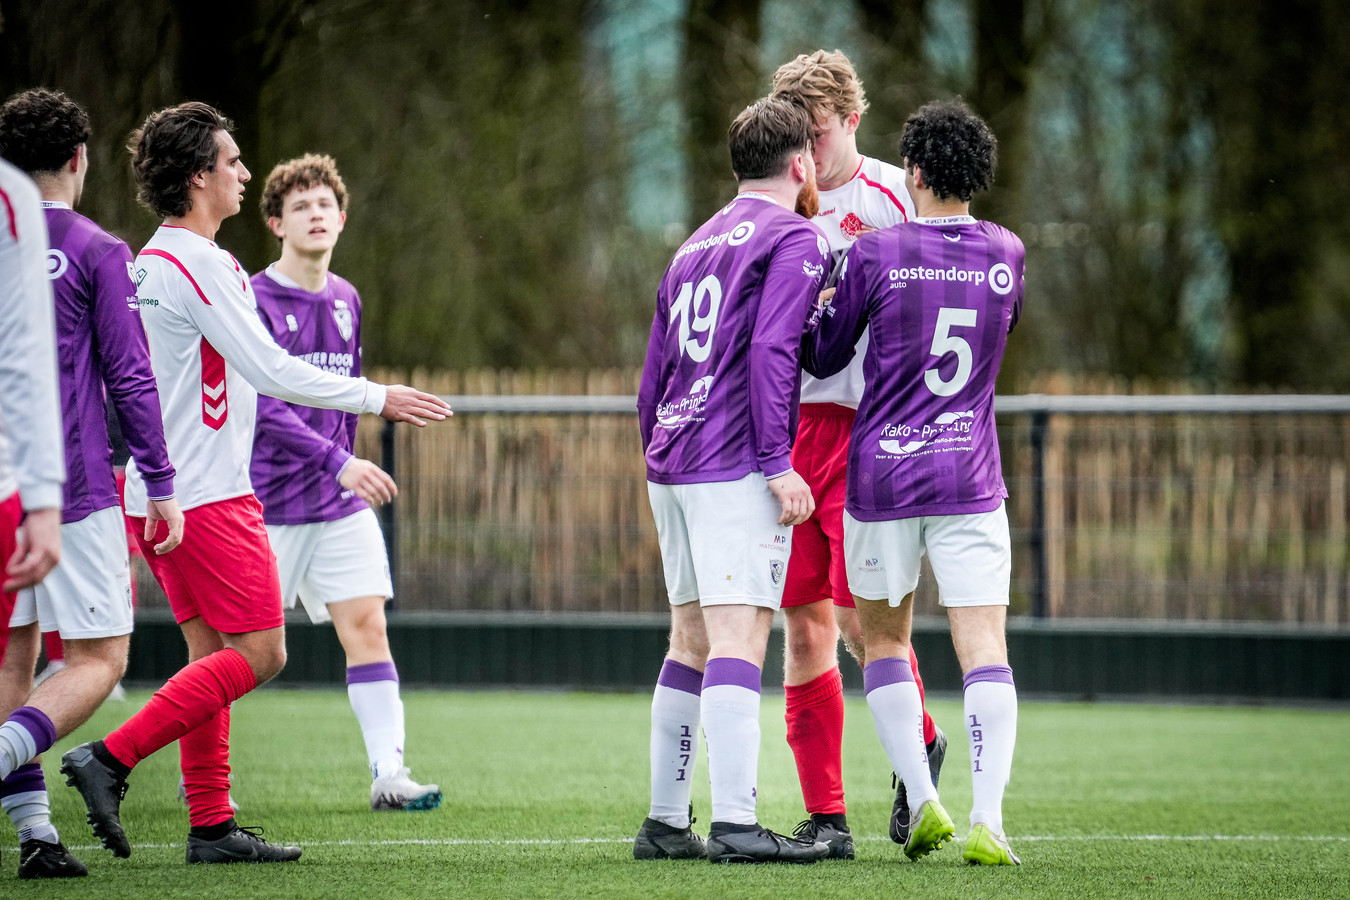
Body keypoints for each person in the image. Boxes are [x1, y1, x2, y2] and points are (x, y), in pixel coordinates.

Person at [59, 101, 452, 865]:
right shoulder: (201, 264)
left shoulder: (150, 261)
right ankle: (109, 758)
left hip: (158, 492)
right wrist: (378, 397)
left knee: (208, 654)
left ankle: (211, 826)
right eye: (232, 162)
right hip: (208, 495)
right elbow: (270, 370)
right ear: (198, 176)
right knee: (264, 652)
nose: (244, 172)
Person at [802, 98, 1025, 866]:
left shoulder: (876, 252)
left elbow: (824, 356)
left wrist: (818, 301)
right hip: (970, 474)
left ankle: (925, 802)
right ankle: (989, 820)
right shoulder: (1007, 251)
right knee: (984, 647)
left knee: (883, 641)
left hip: (884, 476)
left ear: (916, 172)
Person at [633, 95, 830, 865]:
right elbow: (774, 349)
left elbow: (653, 374)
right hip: (732, 462)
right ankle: (738, 824)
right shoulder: (794, 235)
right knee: (740, 636)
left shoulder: (693, 243)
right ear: (800, 164)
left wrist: (659, 452)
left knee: (689, 640)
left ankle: (665, 822)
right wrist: (778, 462)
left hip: (673, 457)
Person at [0, 88, 184, 879]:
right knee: (100, 658)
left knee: (12, 660)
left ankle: (36, 836)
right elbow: (131, 377)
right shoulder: (96, 248)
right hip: (67, 486)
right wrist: (161, 480)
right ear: (79, 159)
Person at [768, 49, 945, 856]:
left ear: (852, 120)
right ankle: (828, 819)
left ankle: (919, 752)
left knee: (857, 621)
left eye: (818, 132)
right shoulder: (775, 198)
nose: (806, 150)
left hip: (869, 431)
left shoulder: (894, 197)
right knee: (803, 626)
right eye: (794, 135)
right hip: (786, 436)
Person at [249, 153, 440, 812]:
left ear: (343, 218)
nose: (315, 214)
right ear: (276, 223)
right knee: (235, 654)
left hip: (336, 504)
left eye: (324, 204)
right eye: (299, 206)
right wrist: (339, 461)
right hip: (267, 502)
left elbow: (347, 393)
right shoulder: (252, 298)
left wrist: (343, 467)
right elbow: (263, 405)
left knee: (367, 628)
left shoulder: (346, 298)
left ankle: (390, 776)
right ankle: (193, 784)